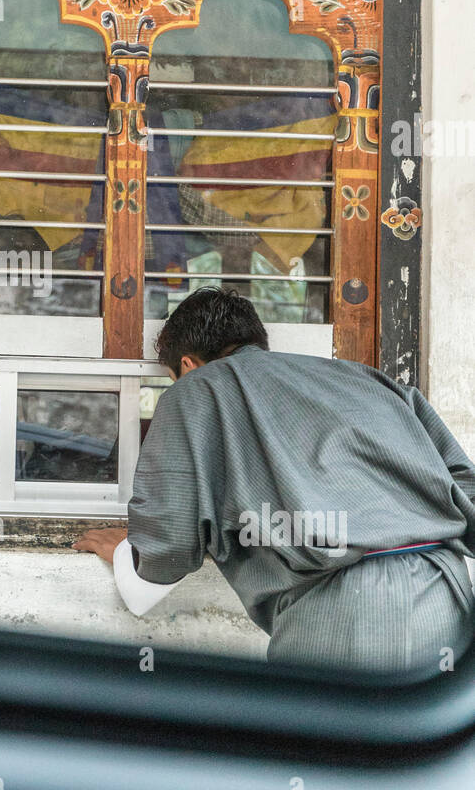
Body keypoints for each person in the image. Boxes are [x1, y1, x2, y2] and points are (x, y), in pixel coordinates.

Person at [74, 287, 475, 671]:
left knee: (334, 741)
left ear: (188, 366)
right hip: (448, 597)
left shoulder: (195, 390)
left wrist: (131, 555)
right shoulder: (370, 380)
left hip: (345, 615)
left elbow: (166, 553)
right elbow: (464, 486)